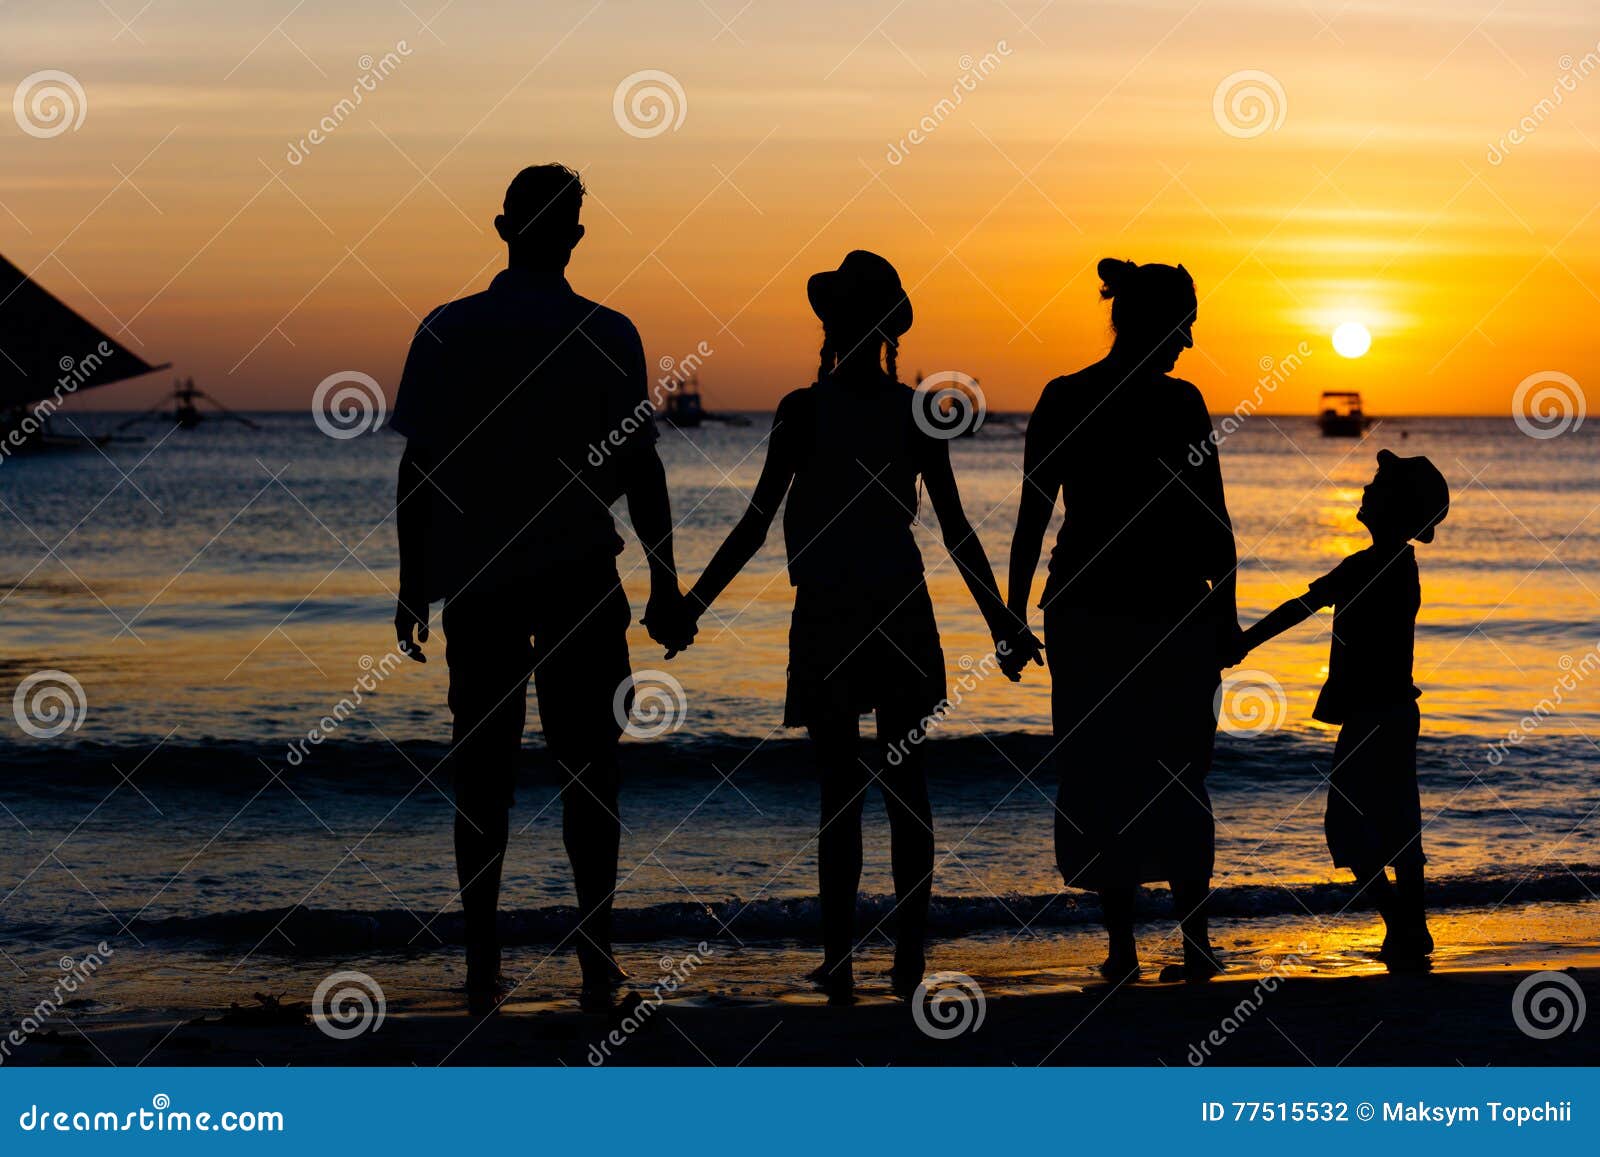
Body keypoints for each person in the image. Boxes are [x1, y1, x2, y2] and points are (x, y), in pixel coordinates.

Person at [683, 250, 1041, 1000]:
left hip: (834, 613)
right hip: (895, 610)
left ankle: (846, 957)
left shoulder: (803, 409)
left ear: (833, 323)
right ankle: (901, 955)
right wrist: (1001, 623)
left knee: (841, 793)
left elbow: (755, 524)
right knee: (903, 787)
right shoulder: (903, 411)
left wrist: (693, 605)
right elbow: (956, 532)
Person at [391, 163, 695, 1013]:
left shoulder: (449, 329)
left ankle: (484, 959)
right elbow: (641, 471)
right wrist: (667, 585)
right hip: (576, 578)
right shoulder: (608, 332)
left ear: (501, 227)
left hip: (482, 583)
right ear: (573, 235)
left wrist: (414, 584)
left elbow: (420, 471)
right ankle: (594, 954)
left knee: (482, 776)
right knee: (590, 773)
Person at [1007, 257, 1240, 984]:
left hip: (1092, 610)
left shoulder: (1064, 396)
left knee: (1100, 772)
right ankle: (1193, 940)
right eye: (1186, 324)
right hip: (1167, 613)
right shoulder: (1180, 405)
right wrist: (1227, 616)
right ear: (1158, 322)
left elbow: (1031, 518)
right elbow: (1214, 522)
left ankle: (1125, 949)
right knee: (1176, 775)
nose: (1191, 341)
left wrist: (1013, 616)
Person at [1230, 449, 1448, 963]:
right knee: (1398, 822)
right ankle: (1410, 928)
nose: (1367, 490)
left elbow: (1301, 606)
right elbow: (1307, 604)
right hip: (1390, 713)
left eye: (1377, 484)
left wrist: (1242, 643)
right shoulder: (1395, 564)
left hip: (1376, 715)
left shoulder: (1374, 565)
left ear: (1393, 506)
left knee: (1350, 827)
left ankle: (1403, 924)